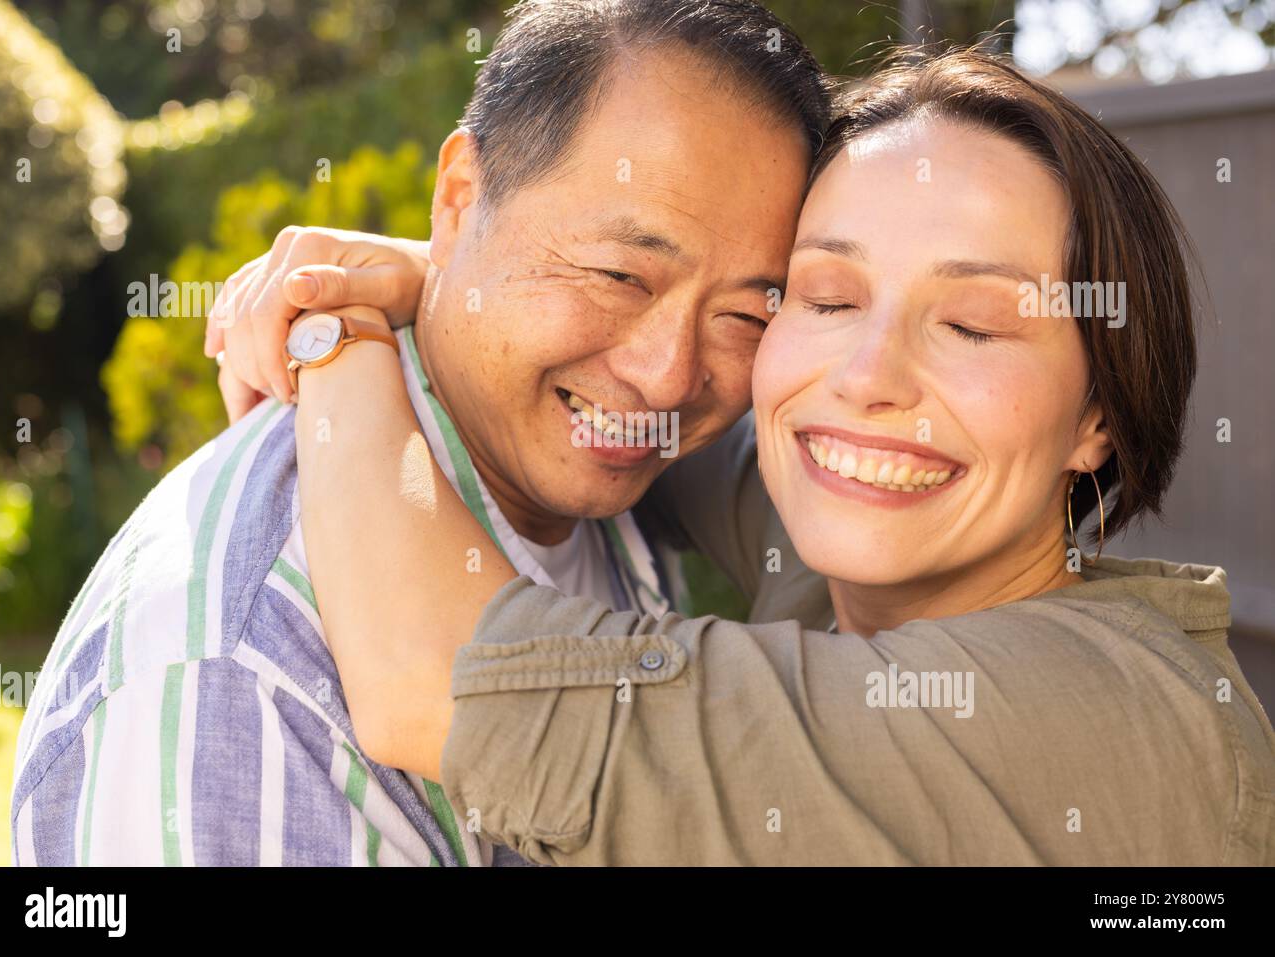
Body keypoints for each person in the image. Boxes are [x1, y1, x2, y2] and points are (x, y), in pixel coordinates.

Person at [263, 48, 1275, 864]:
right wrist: (462, 275)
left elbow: (428, 676)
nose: (866, 378)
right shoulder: (831, 534)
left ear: (1098, 417)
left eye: (971, 324)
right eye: (822, 300)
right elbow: (632, 400)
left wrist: (333, 329)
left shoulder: (1095, 722)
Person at [10, 0, 832, 866]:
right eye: (618, 273)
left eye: (747, 312)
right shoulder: (244, 673)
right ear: (459, 196)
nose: (667, 375)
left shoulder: (611, 478)